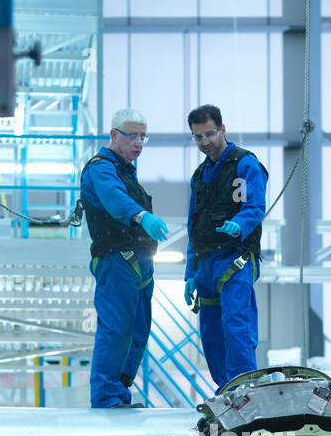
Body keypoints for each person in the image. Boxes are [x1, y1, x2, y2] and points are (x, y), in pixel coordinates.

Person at [79, 108, 169, 407]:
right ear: (114, 135)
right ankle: (106, 396)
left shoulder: (127, 170)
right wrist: (142, 216)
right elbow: (114, 199)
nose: (139, 142)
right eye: (133, 136)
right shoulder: (101, 168)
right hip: (117, 261)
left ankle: (120, 391)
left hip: (140, 263)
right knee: (116, 328)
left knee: (139, 329)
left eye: (144, 136)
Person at [184, 104, 268, 391]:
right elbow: (192, 225)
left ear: (222, 129)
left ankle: (245, 391)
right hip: (205, 263)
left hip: (235, 259)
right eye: (198, 137)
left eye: (209, 134)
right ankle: (225, 392)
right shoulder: (199, 175)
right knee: (211, 333)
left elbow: (255, 205)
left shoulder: (245, 164)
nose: (204, 142)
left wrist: (241, 224)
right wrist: (189, 272)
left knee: (236, 327)